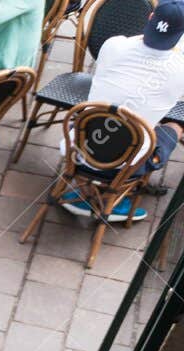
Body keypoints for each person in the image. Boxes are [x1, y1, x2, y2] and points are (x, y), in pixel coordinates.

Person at [77, 0, 184, 210]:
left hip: (80, 149)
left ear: (150, 17)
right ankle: (113, 200)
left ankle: (86, 190)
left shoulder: (113, 45)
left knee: (125, 115)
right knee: (175, 126)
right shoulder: (179, 71)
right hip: (128, 165)